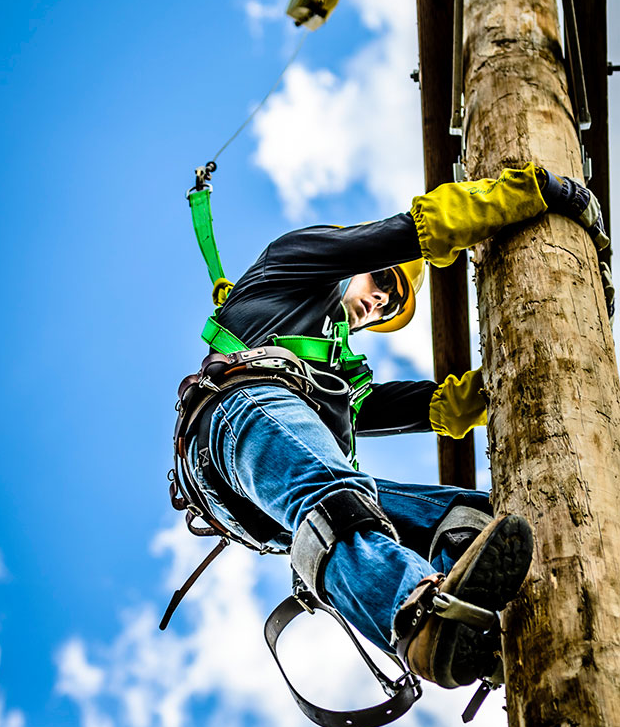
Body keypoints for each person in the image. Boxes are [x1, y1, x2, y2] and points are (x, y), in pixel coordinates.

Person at [174, 163, 610, 692]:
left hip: (260, 500)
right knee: (339, 502)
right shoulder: (294, 262)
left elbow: (436, 406)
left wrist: (533, 359)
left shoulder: (334, 383)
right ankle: (419, 617)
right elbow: (417, 229)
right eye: (381, 279)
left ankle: (474, 622)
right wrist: (539, 192)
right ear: (359, 266)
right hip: (240, 413)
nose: (380, 299)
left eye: (392, 301)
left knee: (468, 517)